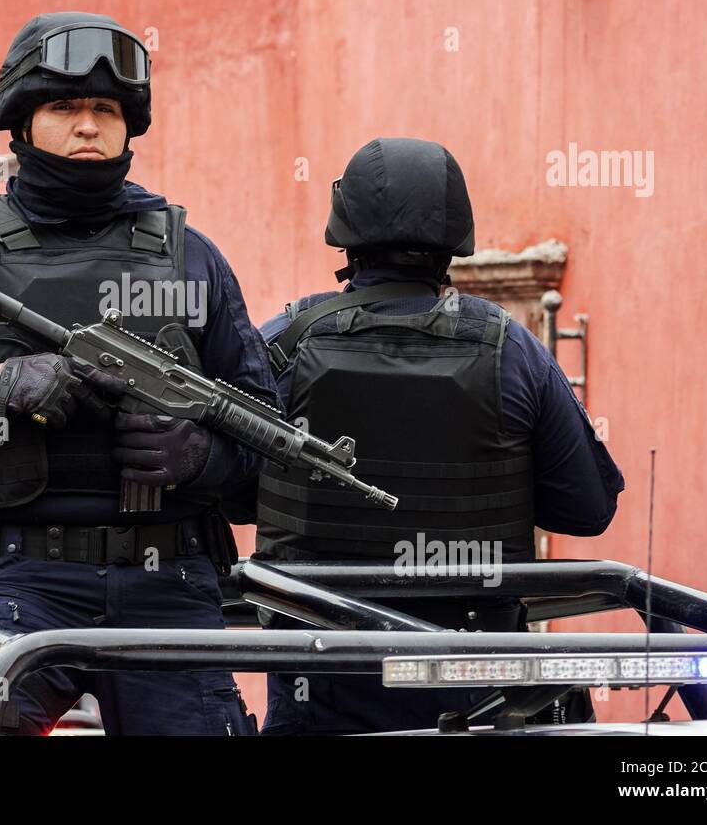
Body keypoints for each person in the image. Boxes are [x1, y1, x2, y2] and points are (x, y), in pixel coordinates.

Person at [0, 12, 278, 735]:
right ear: (21, 124)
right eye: (65, 108)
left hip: (169, 585)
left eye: (105, 111)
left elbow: (272, 450)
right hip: (22, 583)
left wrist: (200, 459)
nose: (87, 127)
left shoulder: (191, 258)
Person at [254, 137, 625, 734]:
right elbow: (587, 508)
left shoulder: (285, 341)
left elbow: (223, 485)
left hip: (319, 688)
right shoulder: (513, 348)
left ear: (344, 231)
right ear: (455, 238)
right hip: (474, 693)